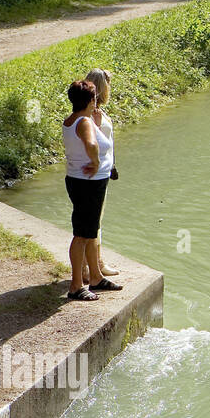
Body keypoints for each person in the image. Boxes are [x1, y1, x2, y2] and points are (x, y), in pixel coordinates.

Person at [62, 79, 121, 301]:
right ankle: (76, 285)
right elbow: (92, 145)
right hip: (88, 183)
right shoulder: (84, 122)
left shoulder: (74, 119)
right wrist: (95, 162)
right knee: (82, 235)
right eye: (95, 97)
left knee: (90, 232)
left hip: (80, 181)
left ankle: (95, 277)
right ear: (90, 99)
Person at [82, 68, 120, 285]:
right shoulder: (90, 115)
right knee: (92, 224)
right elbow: (91, 141)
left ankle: (98, 262)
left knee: (97, 222)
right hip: (94, 175)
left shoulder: (95, 111)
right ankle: (90, 268)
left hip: (103, 172)